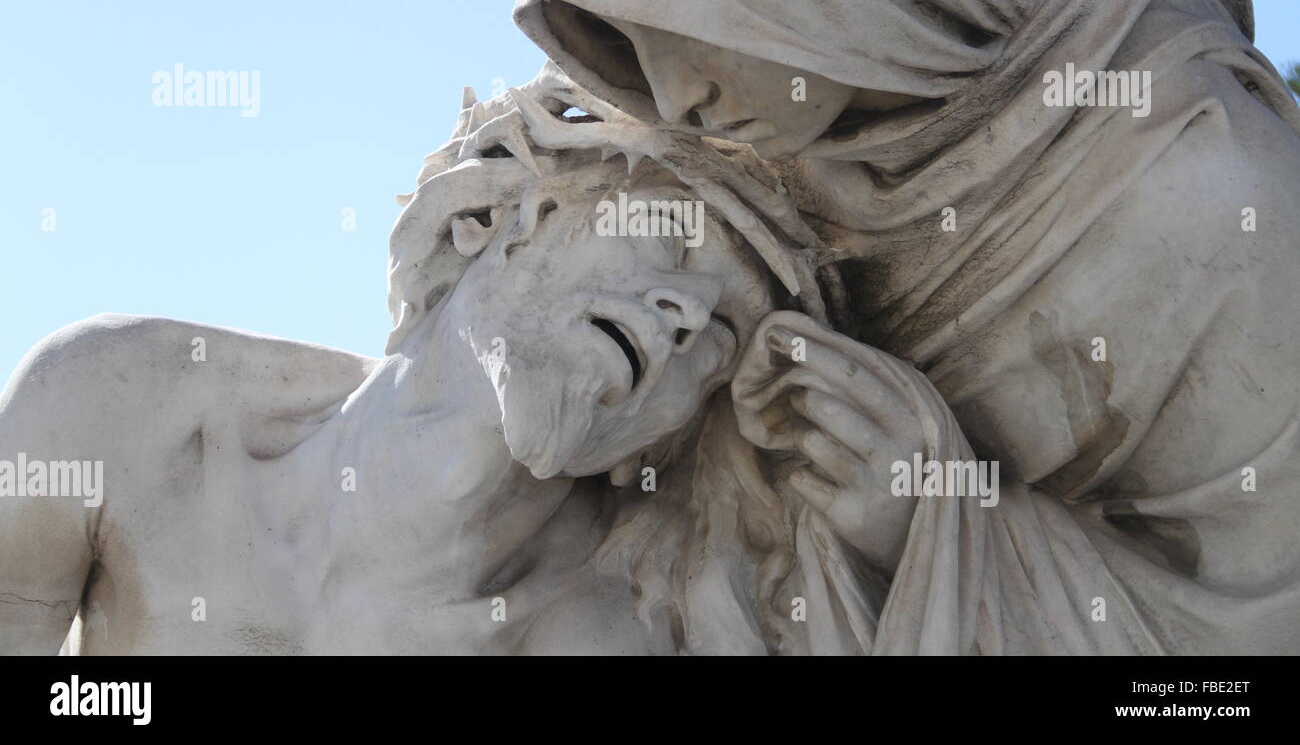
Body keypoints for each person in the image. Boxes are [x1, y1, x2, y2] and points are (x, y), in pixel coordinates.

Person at [512, 0, 1300, 652]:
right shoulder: (744, 159)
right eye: (626, 39)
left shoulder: (1212, 194)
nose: (671, 98)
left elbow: (1242, 652)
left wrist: (937, 523)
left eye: (689, 21)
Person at [0, 71, 912, 654]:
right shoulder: (116, 406)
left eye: (721, 339)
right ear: (501, 221)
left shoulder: (606, 631)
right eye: (667, 246)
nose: (687, 316)